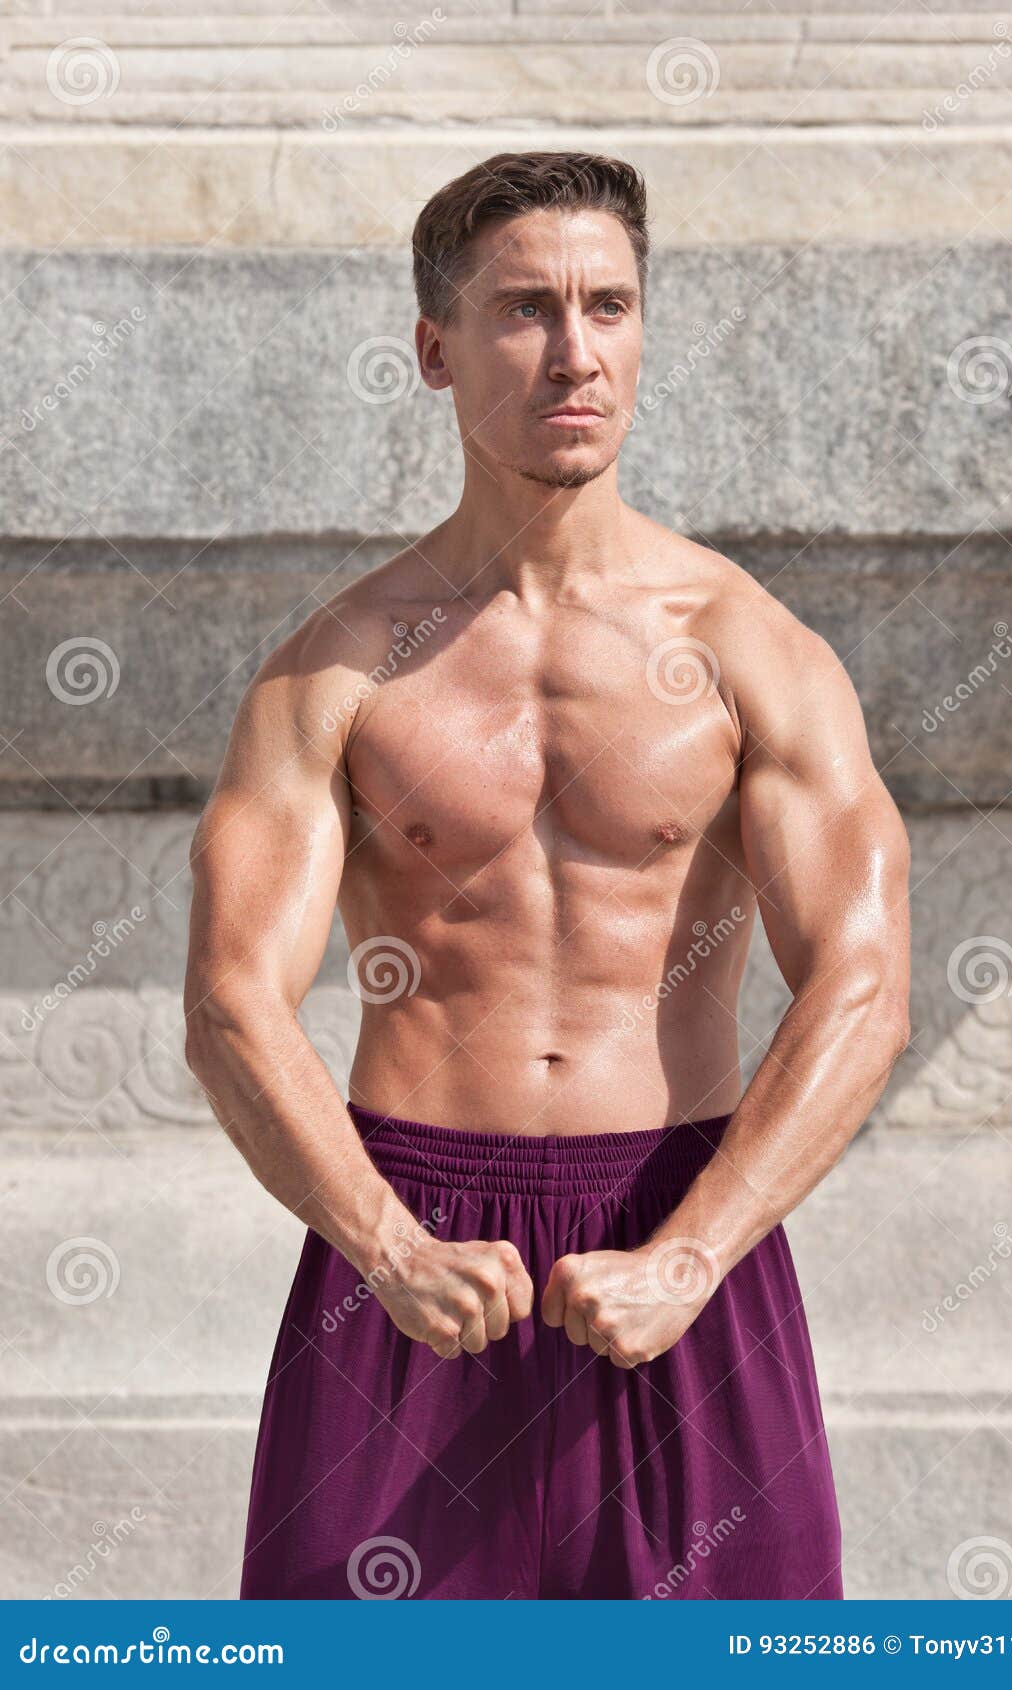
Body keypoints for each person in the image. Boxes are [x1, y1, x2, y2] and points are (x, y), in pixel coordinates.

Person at [184, 151, 911, 1601]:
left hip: (679, 1238)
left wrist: (693, 1257)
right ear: (435, 350)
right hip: (408, 1258)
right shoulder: (337, 668)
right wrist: (387, 1248)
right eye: (524, 310)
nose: (577, 353)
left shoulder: (751, 648)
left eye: (610, 306)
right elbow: (230, 1007)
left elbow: (864, 982)